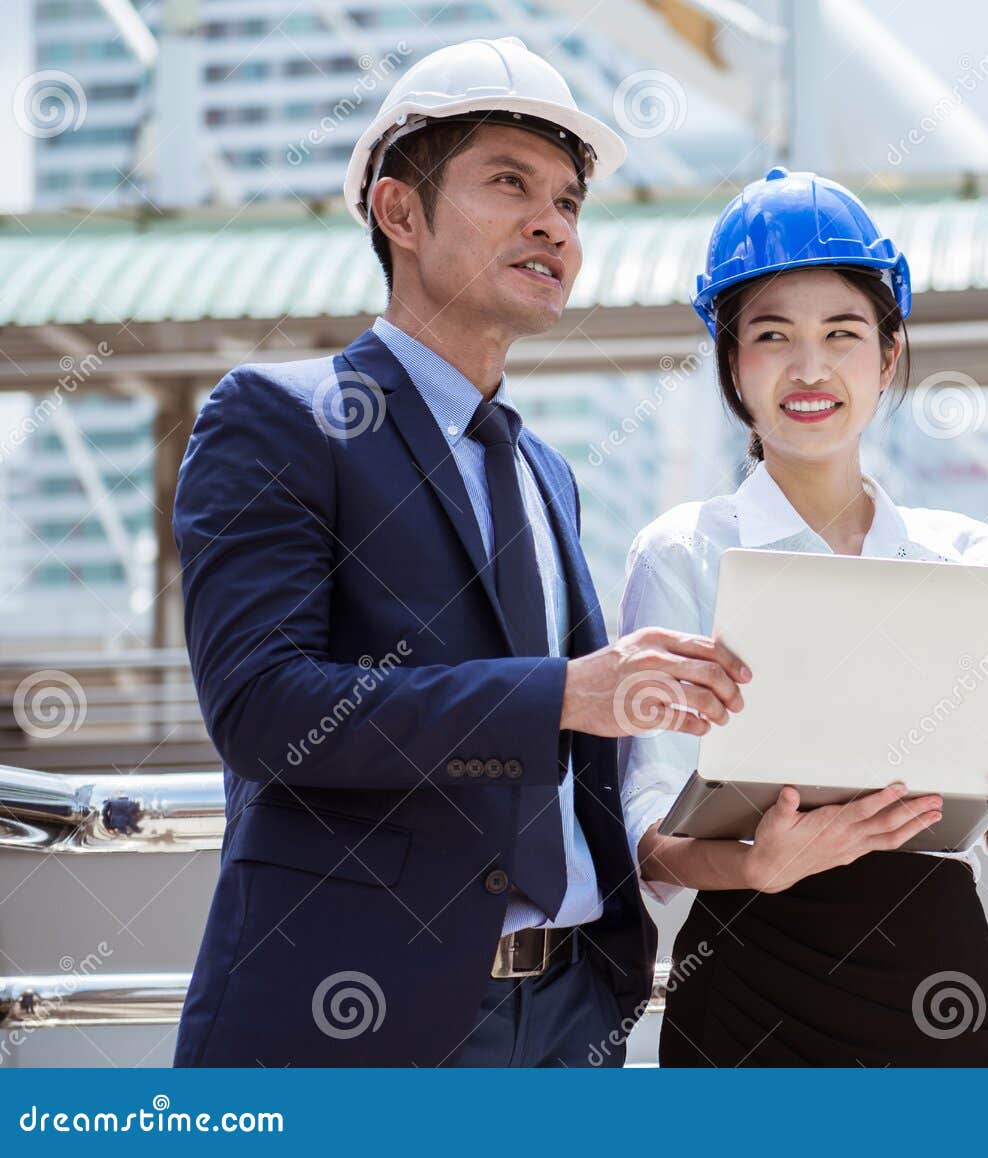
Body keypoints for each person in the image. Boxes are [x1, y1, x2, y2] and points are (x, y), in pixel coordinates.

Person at [170, 37, 747, 1067]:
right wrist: (562, 693)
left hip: (571, 1013)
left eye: (569, 202)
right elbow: (262, 709)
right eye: (509, 184)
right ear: (399, 212)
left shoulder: (546, 473)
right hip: (364, 1021)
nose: (553, 224)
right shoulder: (279, 420)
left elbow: (574, 761)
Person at [618, 168, 988, 1067]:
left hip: (934, 988)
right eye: (772, 336)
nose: (810, 368)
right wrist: (755, 863)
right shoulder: (684, 553)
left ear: (888, 357)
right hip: (748, 984)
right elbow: (647, 834)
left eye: (843, 334)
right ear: (732, 363)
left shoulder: (969, 557)